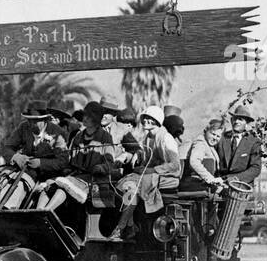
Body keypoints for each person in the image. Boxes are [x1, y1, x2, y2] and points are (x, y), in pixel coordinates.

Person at [108, 106, 181, 241]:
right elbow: (147, 157)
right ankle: (129, 225)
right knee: (130, 185)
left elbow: (175, 165)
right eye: (145, 118)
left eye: (150, 118)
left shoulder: (166, 138)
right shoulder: (148, 137)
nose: (146, 121)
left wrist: (152, 170)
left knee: (136, 184)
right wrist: (137, 155)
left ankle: (121, 228)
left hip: (168, 176)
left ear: (157, 121)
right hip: (151, 174)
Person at [41, 101, 126, 216]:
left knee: (63, 186)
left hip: (93, 181)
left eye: (89, 116)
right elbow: (68, 158)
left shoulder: (105, 137)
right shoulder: (78, 136)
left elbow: (109, 163)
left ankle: (46, 214)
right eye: (85, 115)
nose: (85, 119)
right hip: (75, 176)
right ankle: (37, 215)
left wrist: (100, 168)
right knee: (48, 185)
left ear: (96, 119)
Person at [1, 100, 71, 208]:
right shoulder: (23, 128)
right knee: (6, 178)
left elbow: (63, 161)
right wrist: (16, 157)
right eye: (29, 120)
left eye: (35, 121)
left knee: (22, 182)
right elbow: (7, 148)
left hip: (48, 175)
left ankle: (10, 210)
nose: (31, 124)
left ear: (45, 120)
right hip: (26, 171)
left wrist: (40, 163)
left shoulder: (58, 133)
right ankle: (2, 209)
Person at [216, 104, 263, 187]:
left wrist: (235, 179)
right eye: (234, 119)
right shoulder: (221, 138)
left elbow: (255, 168)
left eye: (240, 119)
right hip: (220, 185)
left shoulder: (254, 142)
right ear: (231, 120)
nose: (236, 122)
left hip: (241, 187)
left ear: (246, 123)